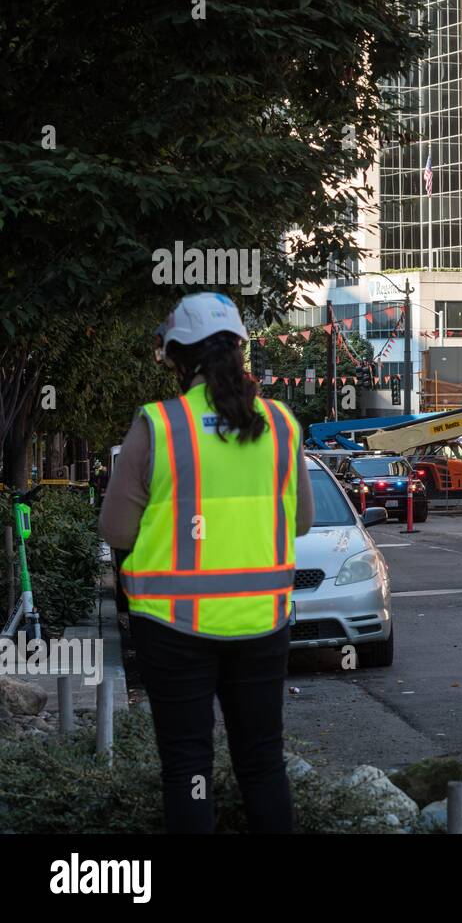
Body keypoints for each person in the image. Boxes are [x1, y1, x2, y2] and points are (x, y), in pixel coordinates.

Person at [99, 292, 314, 833]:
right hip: (262, 623)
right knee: (263, 764)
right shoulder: (282, 423)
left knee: (189, 768)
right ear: (240, 350)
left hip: (173, 628)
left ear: (177, 358)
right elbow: (302, 521)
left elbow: (116, 530)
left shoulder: (160, 425)